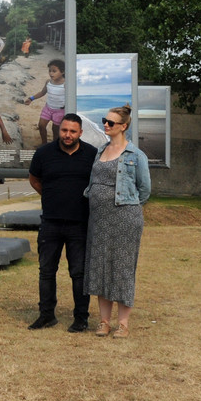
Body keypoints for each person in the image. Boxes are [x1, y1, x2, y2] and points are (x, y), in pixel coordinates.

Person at [84, 105, 151, 338]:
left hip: (125, 218)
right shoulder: (100, 150)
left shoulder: (136, 155)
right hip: (99, 220)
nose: (106, 125)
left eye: (111, 123)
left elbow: (145, 190)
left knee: (122, 268)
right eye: (104, 120)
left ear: (123, 126)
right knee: (100, 267)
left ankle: (123, 324)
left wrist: (126, 207)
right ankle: (104, 322)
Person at [26, 114, 97, 332]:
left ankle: (81, 318)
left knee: (79, 273)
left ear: (80, 133)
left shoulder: (92, 155)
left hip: (80, 224)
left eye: (72, 131)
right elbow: (34, 179)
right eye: (64, 130)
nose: (67, 135)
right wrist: (50, 196)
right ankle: (46, 315)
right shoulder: (43, 153)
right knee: (46, 271)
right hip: (51, 222)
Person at [25, 58, 68, 145]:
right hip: (48, 108)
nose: (51, 73)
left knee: (55, 130)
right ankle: (44, 143)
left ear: (62, 72)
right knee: (41, 125)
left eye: (54, 71)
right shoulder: (48, 82)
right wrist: (31, 98)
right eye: (50, 71)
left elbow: (70, 97)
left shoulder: (66, 84)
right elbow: (42, 92)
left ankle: (54, 145)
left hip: (60, 111)